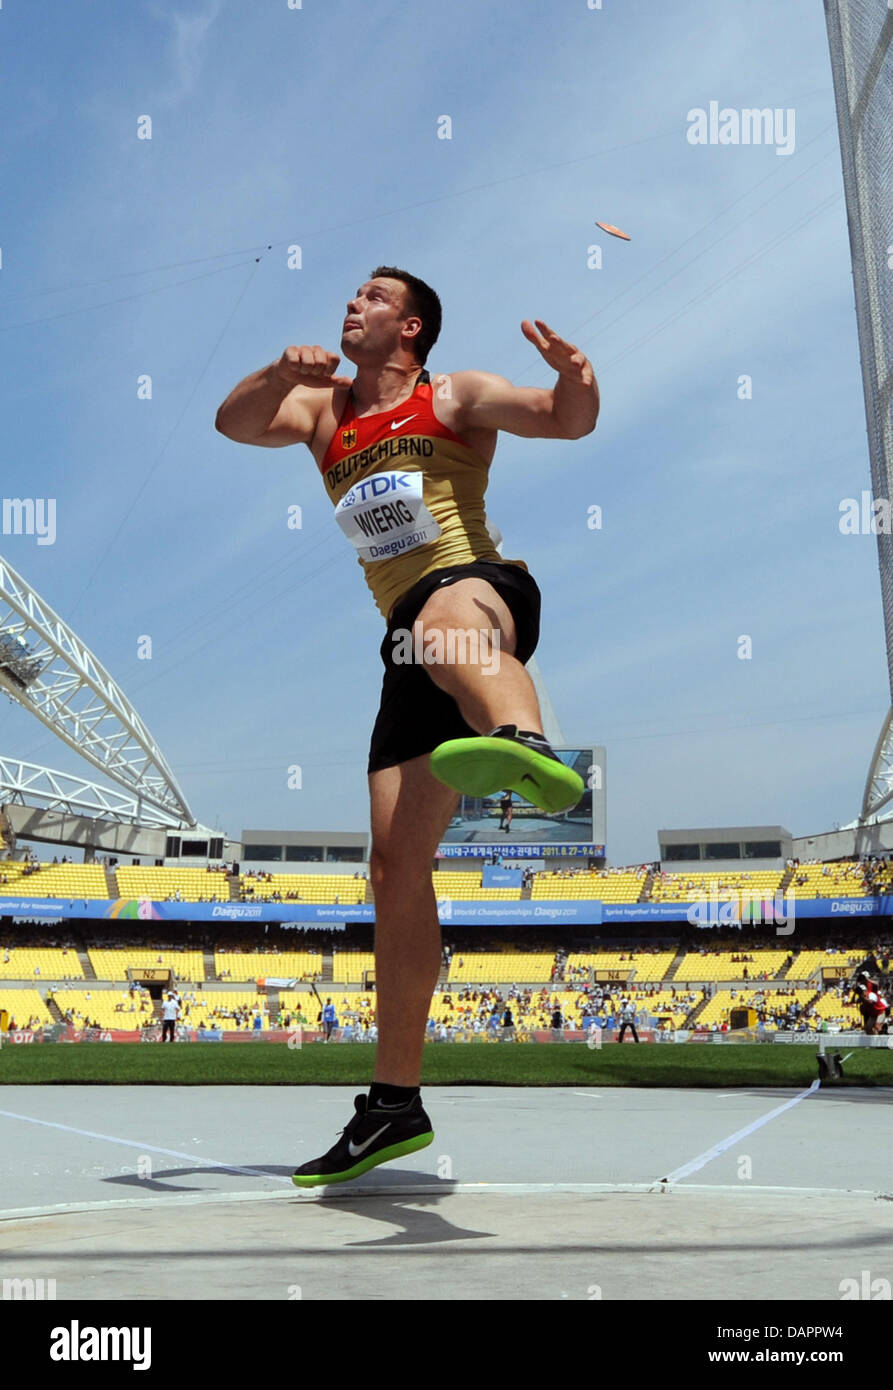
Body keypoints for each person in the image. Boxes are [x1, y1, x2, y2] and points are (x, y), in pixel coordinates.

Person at [216, 266, 598, 1187]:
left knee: (439, 623)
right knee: (393, 871)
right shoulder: (321, 409)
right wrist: (276, 373)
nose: (353, 304)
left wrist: (577, 372)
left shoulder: (452, 393)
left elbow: (565, 417)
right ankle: (394, 1104)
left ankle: (524, 743)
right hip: (405, 649)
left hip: (479, 591)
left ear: (412, 326)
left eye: (373, 299)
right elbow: (233, 423)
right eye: (352, 298)